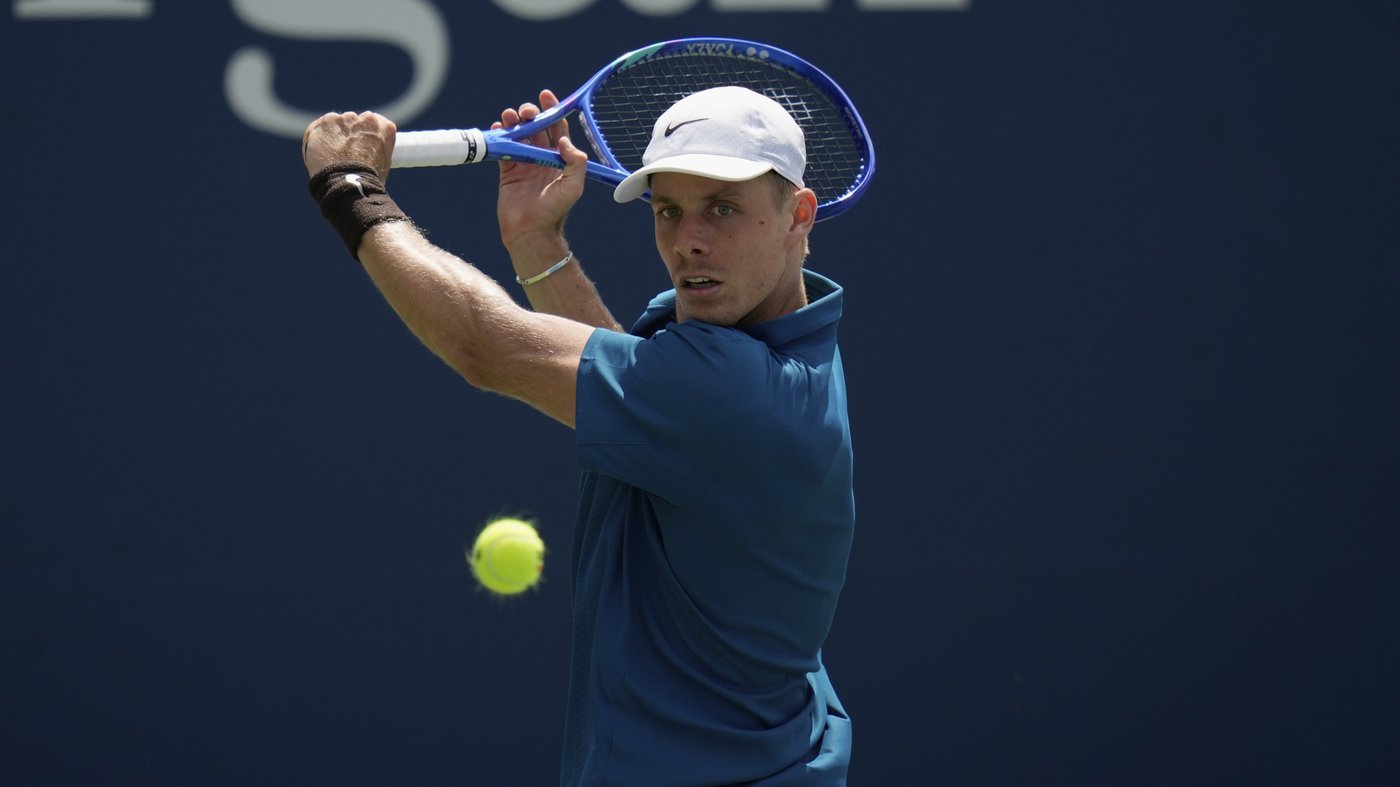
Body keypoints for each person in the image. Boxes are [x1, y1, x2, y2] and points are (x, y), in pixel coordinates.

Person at [302, 85, 856, 786]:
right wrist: (536, 240)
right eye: (668, 210)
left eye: (723, 208)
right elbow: (641, 397)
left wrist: (348, 188)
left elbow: (485, 346)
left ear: (797, 216)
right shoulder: (785, 345)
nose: (689, 240)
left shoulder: (733, 391)